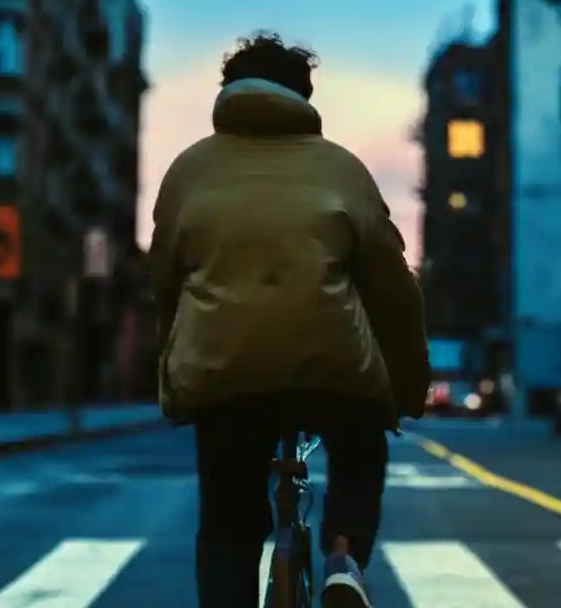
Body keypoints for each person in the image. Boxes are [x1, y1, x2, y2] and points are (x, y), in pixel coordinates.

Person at [149, 31, 431, 608]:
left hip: (223, 375)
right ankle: (342, 560)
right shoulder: (341, 170)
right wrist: (403, 387)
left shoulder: (189, 171)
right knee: (360, 443)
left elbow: (162, 287)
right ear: (304, 96)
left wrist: (174, 376)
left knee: (228, 526)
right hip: (334, 370)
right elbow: (393, 292)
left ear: (228, 93)